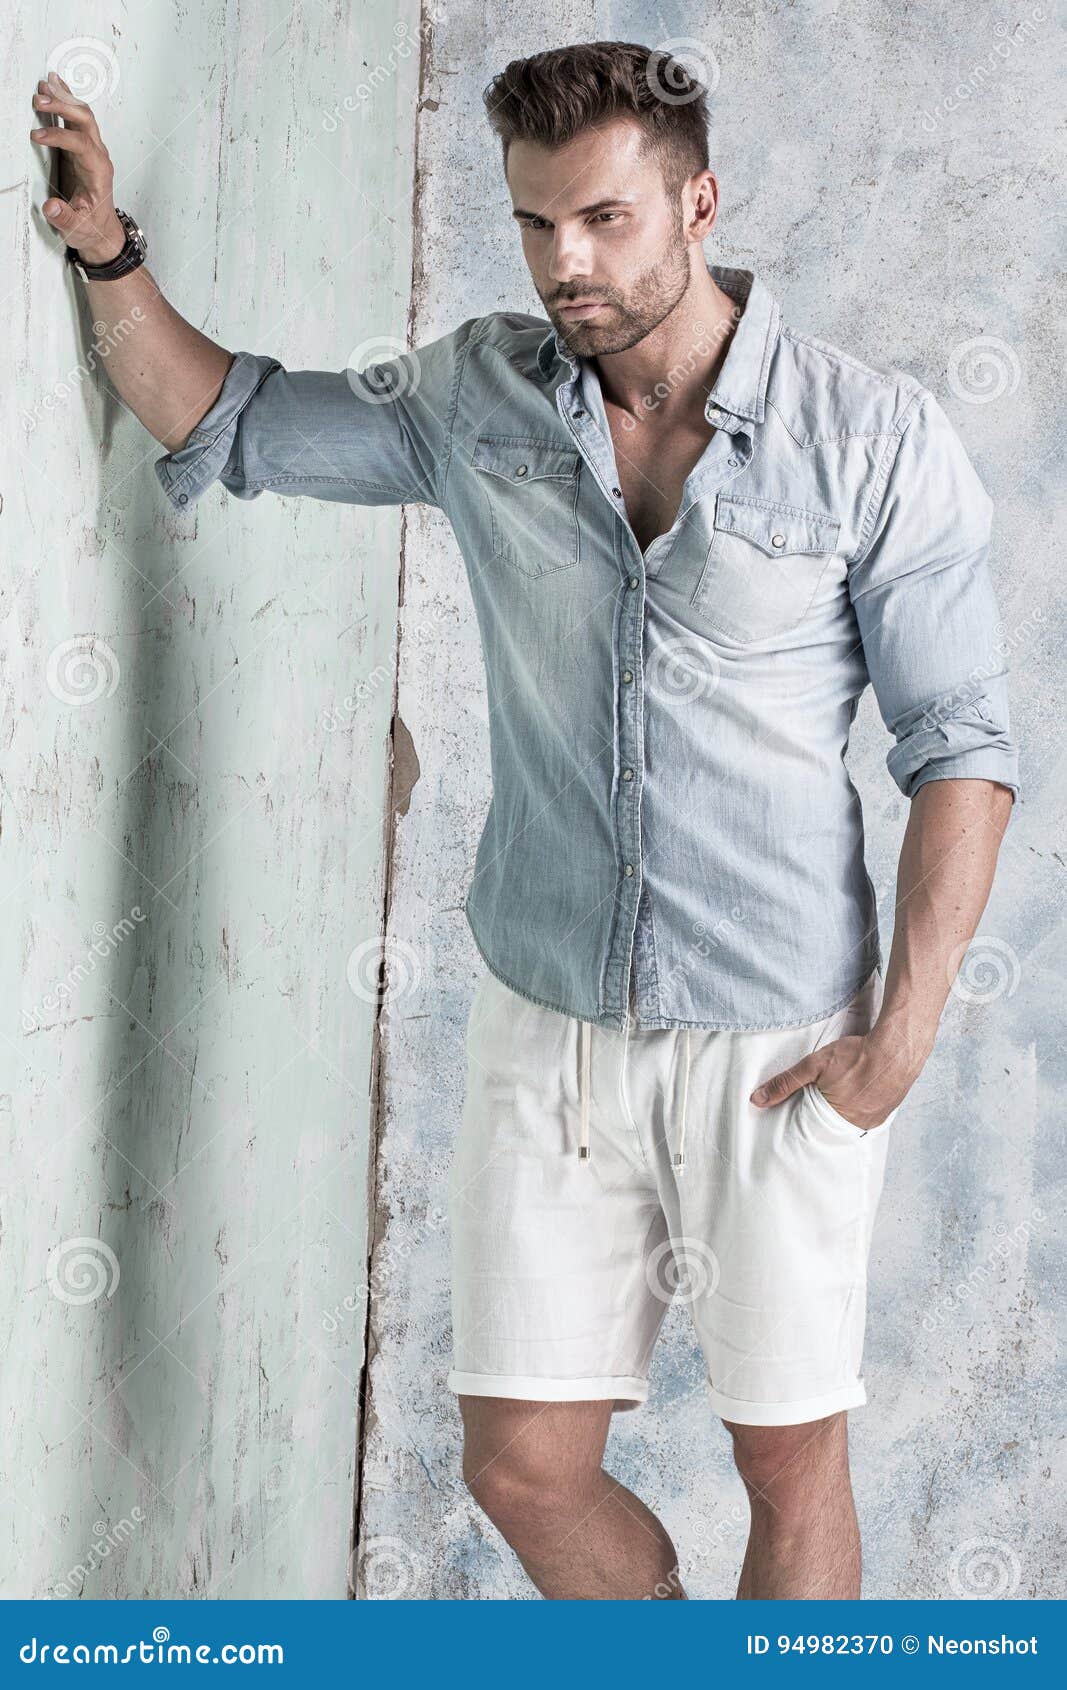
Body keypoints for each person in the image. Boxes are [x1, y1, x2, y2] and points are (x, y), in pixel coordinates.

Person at [31, 40, 1019, 1601]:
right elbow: (234, 416)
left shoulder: (869, 438)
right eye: (537, 225)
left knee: (790, 1464)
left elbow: (960, 744)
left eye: (607, 221)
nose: (569, 262)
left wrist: (903, 1031)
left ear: (700, 202)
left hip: (774, 1039)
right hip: (547, 1018)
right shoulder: (477, 394)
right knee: (520, 1464)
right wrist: (112, 256)